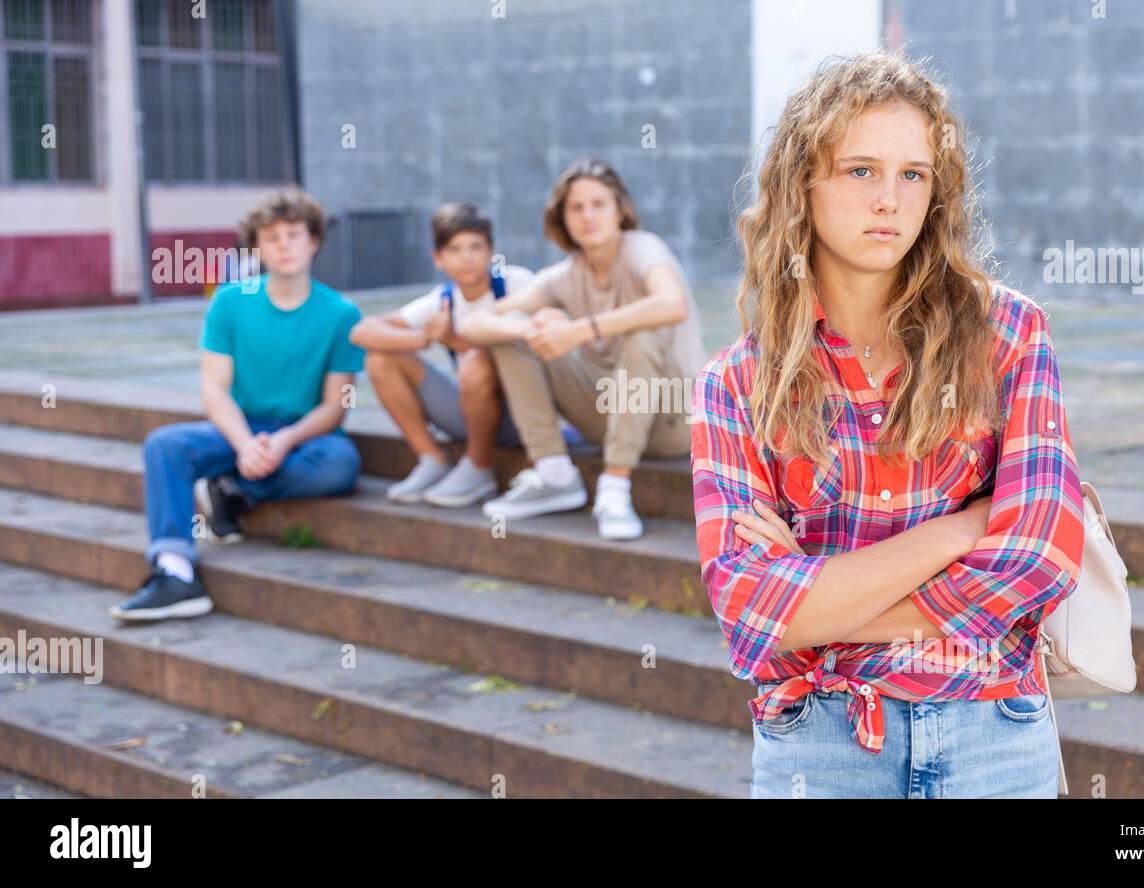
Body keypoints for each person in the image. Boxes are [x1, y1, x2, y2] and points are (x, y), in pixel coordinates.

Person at [689, 50, 1086, 798]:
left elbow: (1038, 556)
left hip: (991, 735)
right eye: (860, 170)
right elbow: (749, 610)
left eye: (914, 174)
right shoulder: (735, 384)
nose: (891, 200)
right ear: (800, 184)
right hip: (821, 745)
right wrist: (962, 530)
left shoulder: (1007, 334)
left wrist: (819, 607)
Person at [112, 189, 365, 622]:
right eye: (271, 237)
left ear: (314, 242)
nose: (284, 245)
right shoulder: (230, 301)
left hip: (303, 437)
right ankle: (175, 573)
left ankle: (230, 492)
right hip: (238, 428)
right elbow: (215, 390)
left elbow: (335, 407)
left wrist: (283, 440)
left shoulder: (342, 313)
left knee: (341, 463)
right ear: (257, 248)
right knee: (164, 446)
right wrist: (245, 443)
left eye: (293, 234)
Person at [458, 158, 707, 541]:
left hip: (675, 417)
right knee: (511, 335)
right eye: (576, 207)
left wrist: (578, 330)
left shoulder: (643, 248)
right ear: (563, 218)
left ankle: (615, 487)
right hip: (608, 411)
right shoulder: (564, 274)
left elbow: (672, 303)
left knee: (641, 337)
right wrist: (532, 328)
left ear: (620, 211)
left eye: (598, 204)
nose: (587, 215)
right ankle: (554, 474)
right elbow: (474, 323)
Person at [350, 202, 536, 506]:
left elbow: (524, 346)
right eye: (454, 249)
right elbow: (362, 331)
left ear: (491, 252)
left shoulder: (517, 284)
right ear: (438, 259)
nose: (466, 258)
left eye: (475, 247)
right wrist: (420, 338)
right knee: (380, 358)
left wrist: (452, 338)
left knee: (477, 360)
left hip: (522, 415)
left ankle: (479, 468)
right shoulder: (443, 300)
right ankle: (432, 460)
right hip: (471, 413)